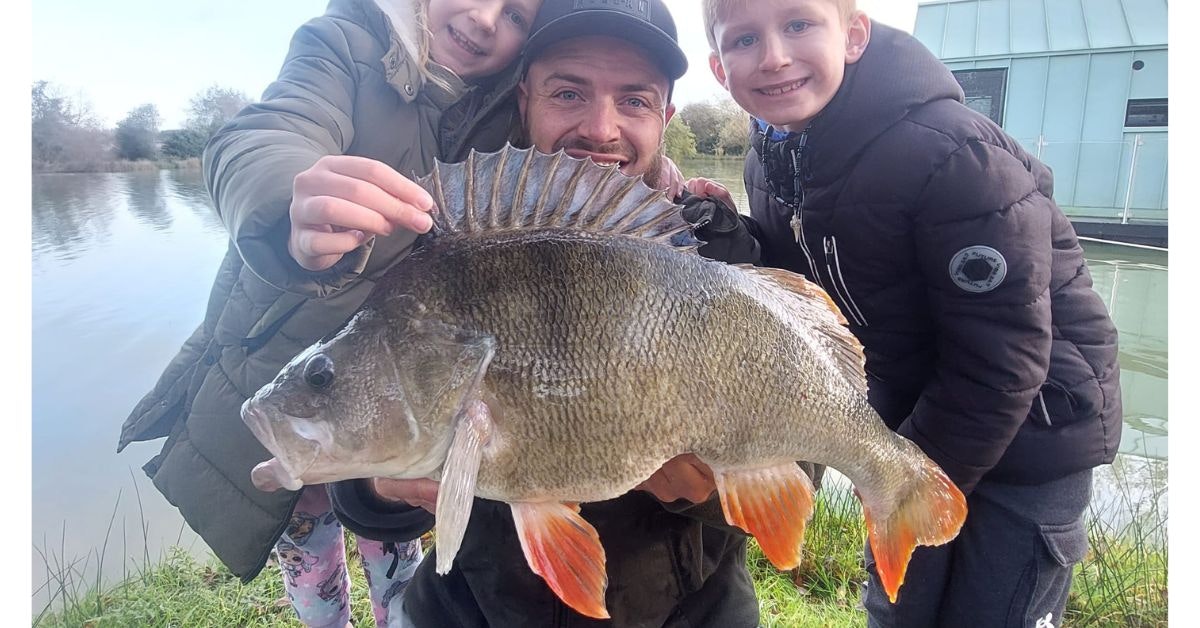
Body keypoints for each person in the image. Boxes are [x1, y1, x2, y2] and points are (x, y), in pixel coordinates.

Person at [327, 1, 778, 626]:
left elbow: (804, 460)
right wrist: (382, 483)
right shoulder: (443, 246)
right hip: (476, 606)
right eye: (568, 93)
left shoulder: (721, 251)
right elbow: (361, 499)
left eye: (635, 100)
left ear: (665, 117)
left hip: (693, 609)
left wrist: (702, 493)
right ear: (524, 101)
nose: (601, 128)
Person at [117, 0, 545, 626]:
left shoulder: (508, 111)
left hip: (402, 399)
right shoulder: (344, 45)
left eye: (517, 17)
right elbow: (264, 134)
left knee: (394, 548)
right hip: (291, 380)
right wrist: (288, 199)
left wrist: (657, 174)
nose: (485, 18)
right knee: (307, 552)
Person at [699, 0, 1123, 626]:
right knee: (899, 608)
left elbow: (1004, 354)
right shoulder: (768, 159)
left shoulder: (952, 154)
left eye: (798, 24)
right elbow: (796, 285)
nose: (775, 57)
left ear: (854, 36)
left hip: (1035, 433)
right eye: (743, 40)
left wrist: (900, 475)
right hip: (913, 427)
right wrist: (722, 226)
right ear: (717, 68)